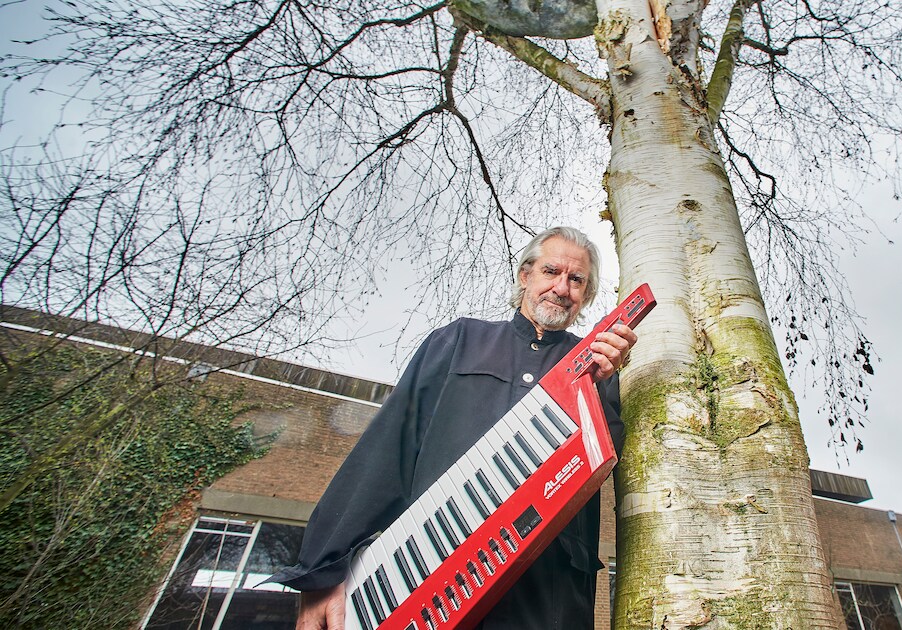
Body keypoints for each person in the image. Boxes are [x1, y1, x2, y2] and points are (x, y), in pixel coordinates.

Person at [269, 226, 638, 630]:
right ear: (525, 275)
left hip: (547, 596)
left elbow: (603, 458)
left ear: (585, 295)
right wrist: (323, 570)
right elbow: (390, 448)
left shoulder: (597, 366)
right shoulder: (460, 340)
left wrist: (599, 384)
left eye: (576, 280)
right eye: (551, 272)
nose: (561, 288)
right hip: (434, 578)